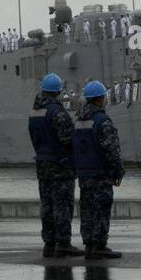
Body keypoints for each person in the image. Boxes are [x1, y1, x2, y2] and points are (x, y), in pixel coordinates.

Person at [29, 73, 80, 258]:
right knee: (63, 206)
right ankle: (63, 243)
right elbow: (68, 139)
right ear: (58, 91)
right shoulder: (57, 112)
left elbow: (34, 139)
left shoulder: (34, 112)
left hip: (42, 166)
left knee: (47, 206)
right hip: (60, 166)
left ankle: (49, 243)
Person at [73, 80, 124, 259]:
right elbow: (112, 150)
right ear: (100, 98)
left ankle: (89, 245)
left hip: (84, 175)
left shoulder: (78, 122)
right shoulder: (102, 121)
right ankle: (100, 245)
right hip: (101, 174)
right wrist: (118, 171)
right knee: (102, 209)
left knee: (86, 210)